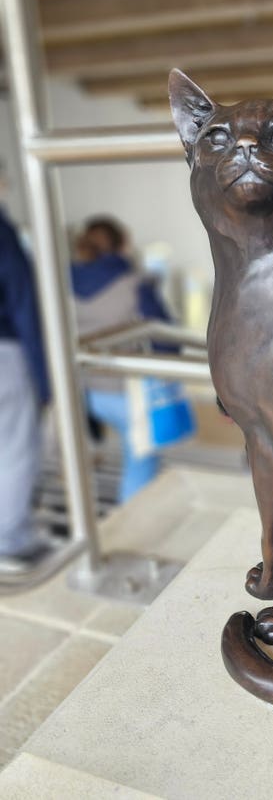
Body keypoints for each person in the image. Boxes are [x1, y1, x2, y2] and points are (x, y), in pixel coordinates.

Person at [71, 216, 173, 503]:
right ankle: (132, 517)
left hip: (83, 387)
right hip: (124, 390)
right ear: (122, 243)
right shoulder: (134, 281)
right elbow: (163, 333)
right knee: (142, 454)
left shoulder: (64, 278)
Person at [0, 204, 52, 573]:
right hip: (5, 348)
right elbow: (23, 300)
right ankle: (10, 540)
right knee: (17, 446)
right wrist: (45, 379)